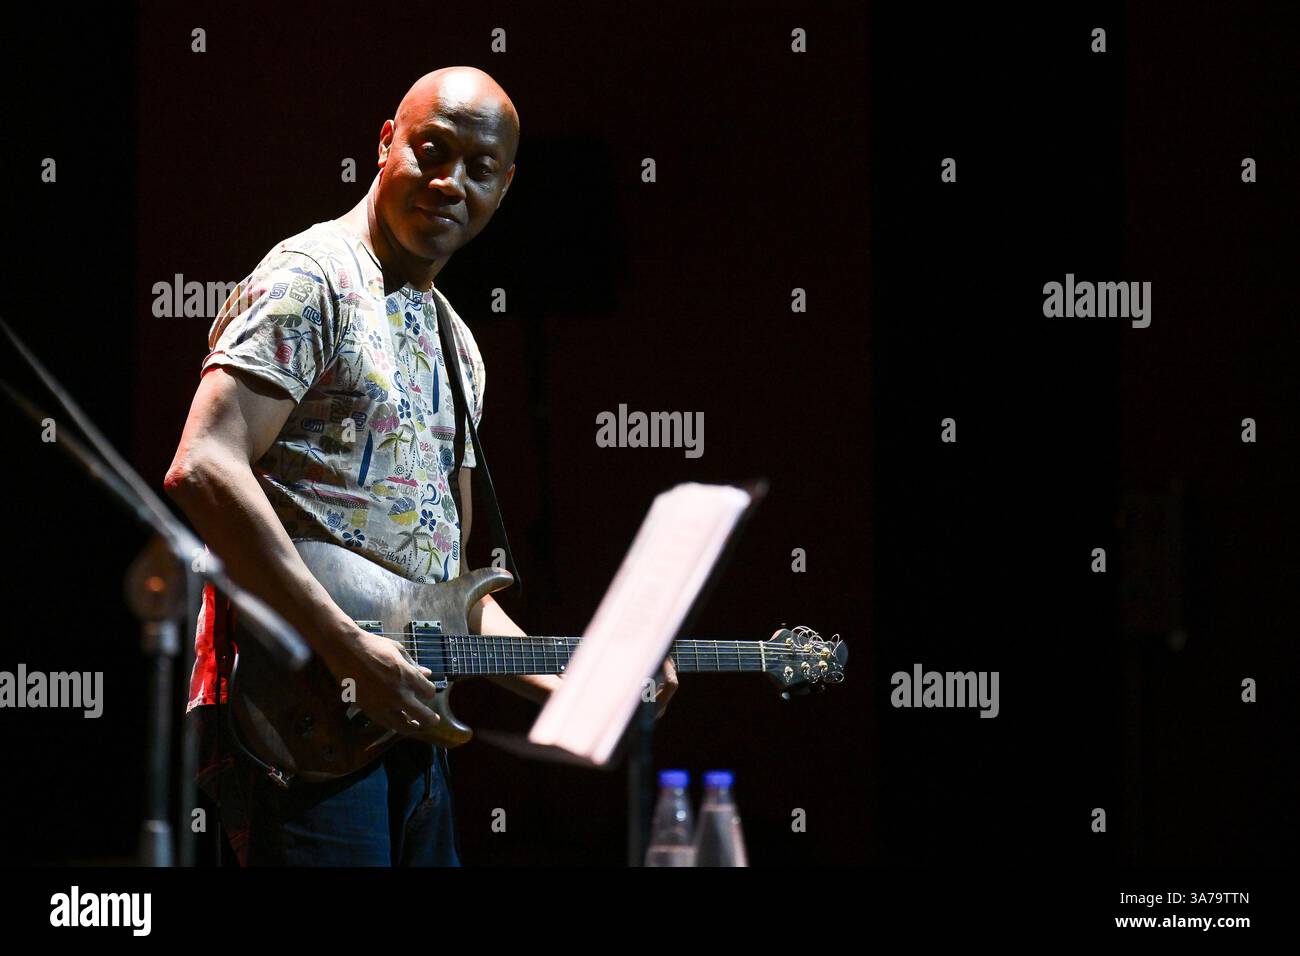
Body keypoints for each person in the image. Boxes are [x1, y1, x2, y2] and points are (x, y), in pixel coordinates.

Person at [164, 66, 676, 866]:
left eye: (479, 170)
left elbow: (451, 595)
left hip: (398, 725)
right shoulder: (313, 277)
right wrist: (345, 648)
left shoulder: (459, 346)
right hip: (296, 719)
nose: (450, 183)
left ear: (504, 189)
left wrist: (587, 682)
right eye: (431, 152)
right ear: (384, 144)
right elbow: (202, 466)